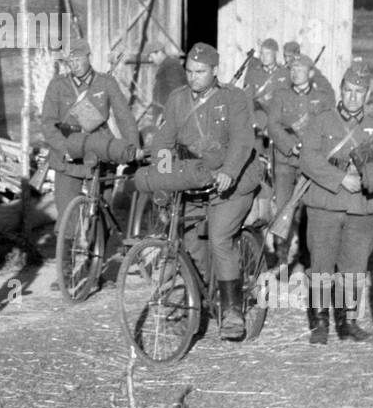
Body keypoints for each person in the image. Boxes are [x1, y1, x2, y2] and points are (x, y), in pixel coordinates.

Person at [151, 42, 260, 339]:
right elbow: (163, 142)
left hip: (232, 185)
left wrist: (229, 172)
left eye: (200, 72)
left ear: (214, 71)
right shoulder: (177, 100)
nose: (193, 77)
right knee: (189, 240)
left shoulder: (233, 98)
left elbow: (242, 141)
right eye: (189, 71)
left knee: (220, 237)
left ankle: (232, 311)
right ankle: (201, 302)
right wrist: (163, 176)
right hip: (196, 182)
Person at [298, 65, 373, 344]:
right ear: (341, 89)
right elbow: (308, 159)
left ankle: (347, 322)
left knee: (355, 265)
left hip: (362, 205)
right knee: (322, 264)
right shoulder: (321, 120)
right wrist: (339, 178)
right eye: (347, 90)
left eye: (358, 92)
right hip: (325, 202)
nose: (352, 97)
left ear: (367, 94)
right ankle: (320, 323)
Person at [41, 38, 138, 221]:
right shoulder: (58, 85)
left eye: (78, 59)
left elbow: (124, 117)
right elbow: (48, 123)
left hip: (100, 153)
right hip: (69, 159)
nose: (74, 65)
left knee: (103, 216)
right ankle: (69, 247)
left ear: (88, 56)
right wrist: (64, 150)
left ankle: (97, 247)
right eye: (70, 61)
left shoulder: (106, 83)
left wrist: (133, 148)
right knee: (67, 219)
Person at [266, 51, 331, 229]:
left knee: (310, 211)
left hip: (311, 163)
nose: (295, 73)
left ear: (310, 73)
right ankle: (282, 254)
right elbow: (272, 125)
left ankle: (304, 252)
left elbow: (329, 129)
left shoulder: (322, 99)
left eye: (300, 69)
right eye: (292, 69)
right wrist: (290, 145)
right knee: (283, 208)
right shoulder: (280, 96)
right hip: (285, 161)